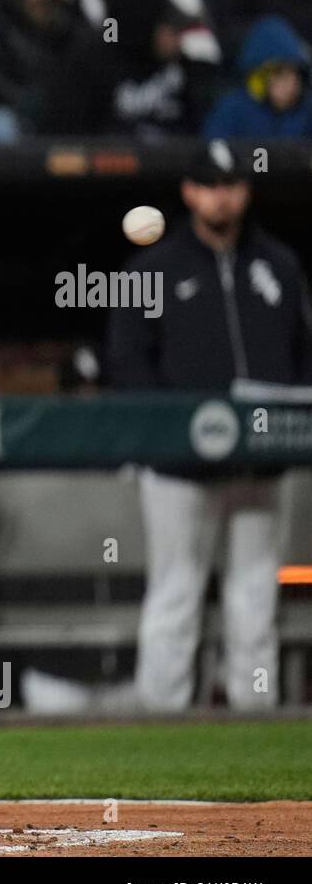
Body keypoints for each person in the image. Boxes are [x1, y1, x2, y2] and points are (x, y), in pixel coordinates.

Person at [106, 140, 312, 711]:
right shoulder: (153, 269)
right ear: (190, 192)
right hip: (179, 467)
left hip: (261, 461)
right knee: (176, 595)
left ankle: (254, 725)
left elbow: (302, 353)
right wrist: (169, 430)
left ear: (246, 190)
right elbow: (127, 360)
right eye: (211, 185)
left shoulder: (278, 264)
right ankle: (161, 728)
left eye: (233, 184)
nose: (223, 197)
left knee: (255, 597)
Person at [43, 0, 221, 138]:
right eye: (168, 27)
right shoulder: (90, 63)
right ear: (144, 25)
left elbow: (194, 131)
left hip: (169, 171)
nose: (176, 37)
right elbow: (68, 140)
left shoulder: (182, 65)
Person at [0, 0, 99, 142]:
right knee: (3, 125)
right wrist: (23, 100)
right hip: (0, 111)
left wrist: (74, 5)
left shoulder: (65, 15)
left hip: (55, 114)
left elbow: (91, 60)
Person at [205, 15, 312, 139]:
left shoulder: (306, 112)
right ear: (260, 77)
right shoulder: (233, 110)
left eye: (295, 74)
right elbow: (213, 148)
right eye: (279, 73)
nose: (291, 83)